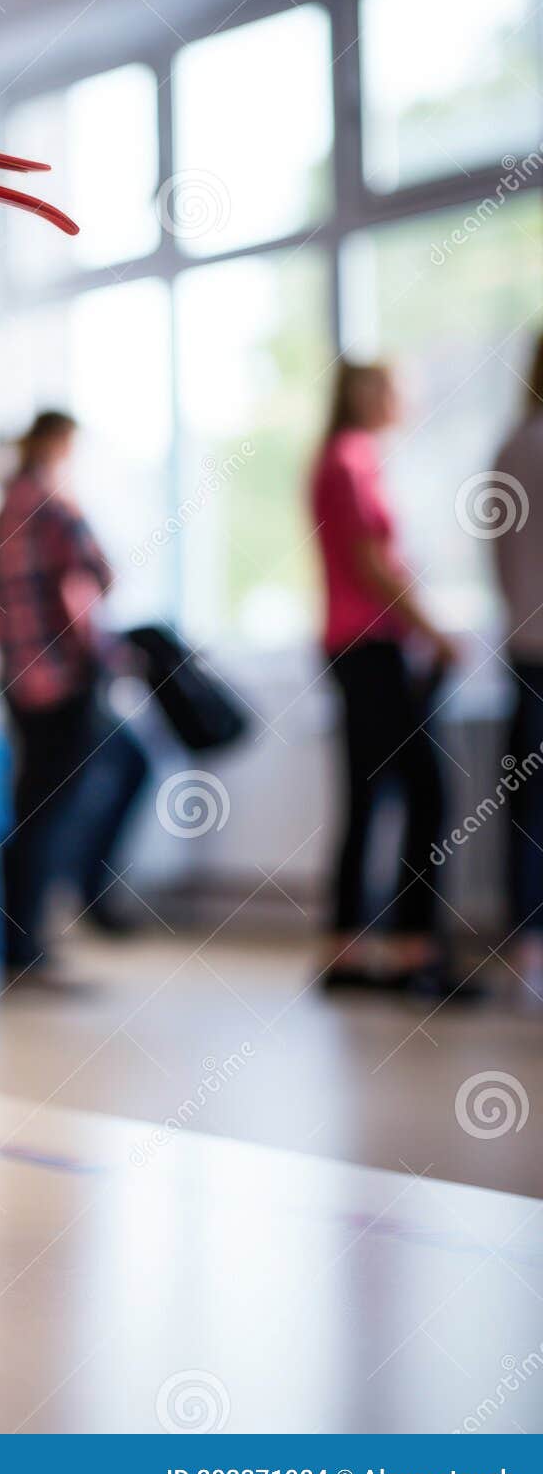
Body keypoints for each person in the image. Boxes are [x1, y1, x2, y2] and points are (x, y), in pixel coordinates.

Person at [310, 361, 475, 999]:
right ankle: (412, 952)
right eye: (391, 387)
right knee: (429, 794)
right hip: (370, 648)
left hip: (352, 648)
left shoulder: (340, 457)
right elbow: (372, 564)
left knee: (365, 796)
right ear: (364, 393)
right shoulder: (351, 460)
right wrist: (434, 632)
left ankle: (347, 952)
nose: (402, 398)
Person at [0, 410, 147, 978]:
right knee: (68, 799)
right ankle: (86, 899)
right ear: (58, 443)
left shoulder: (8, 506)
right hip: (62, 683)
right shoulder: (52, 503)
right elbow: (98, 573)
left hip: (20, 681)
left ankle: (31, 939)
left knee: (40, 806)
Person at [492, 331, 543, 1003]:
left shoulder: (510, 444)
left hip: (523, 645)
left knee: (528, 803)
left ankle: (526, 947)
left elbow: (500, 559)